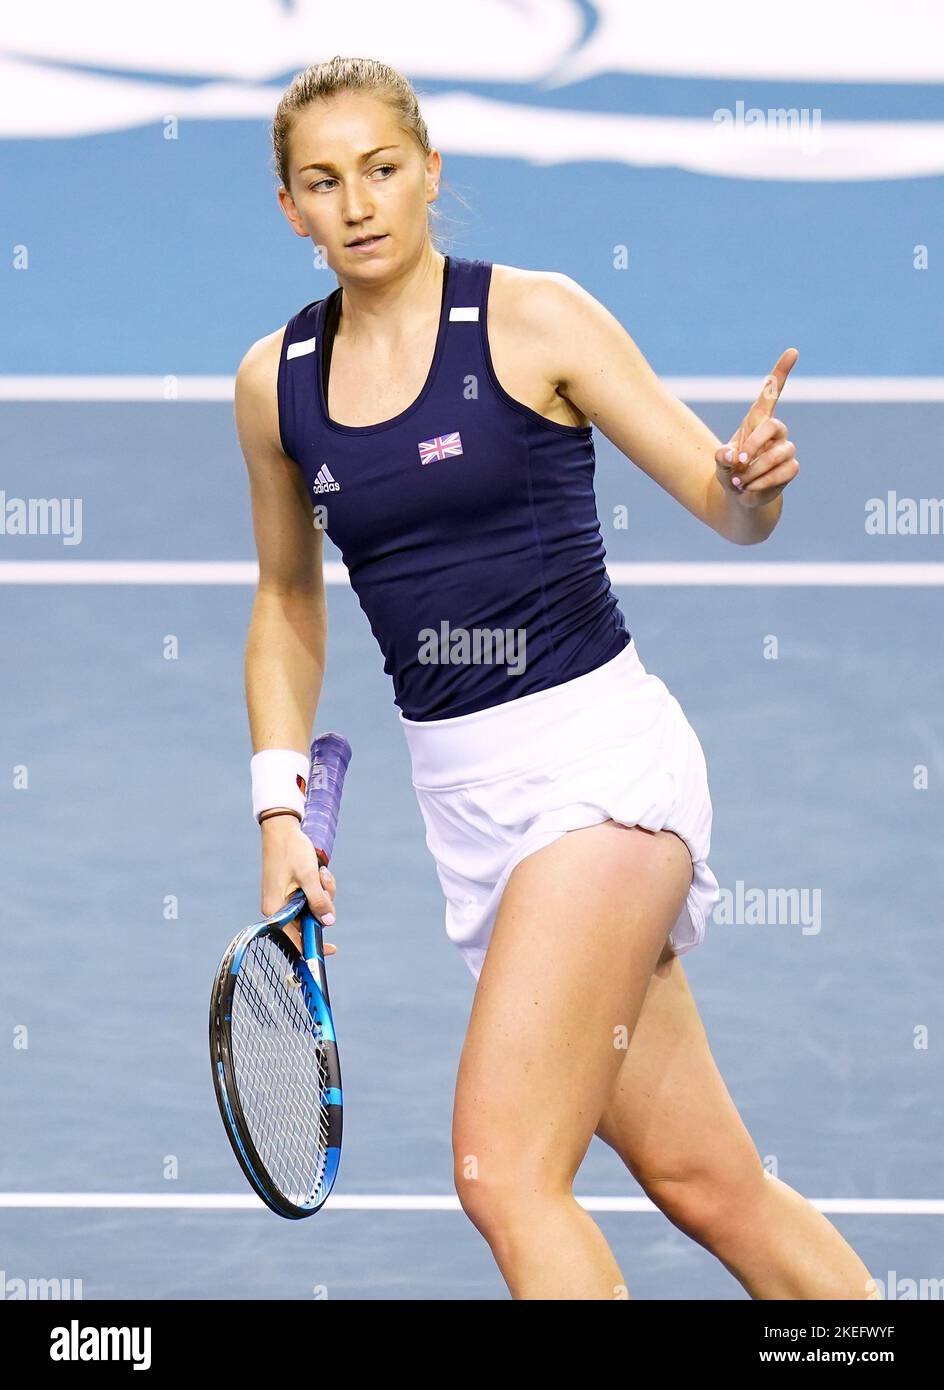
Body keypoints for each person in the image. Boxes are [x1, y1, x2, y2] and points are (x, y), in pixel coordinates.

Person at [235, 56, 875, 1301]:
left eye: (380, 169)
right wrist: (274, 803)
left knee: (504, 1172)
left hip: (598, 774)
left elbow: (718, 498)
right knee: (705, 1180)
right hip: (466, 811)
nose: (357, 202)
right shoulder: (276, 386)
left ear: (429, 171)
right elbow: (288, 598)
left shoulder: (534, 319)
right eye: (323, 181)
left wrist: (750, 489)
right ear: (289, 209)